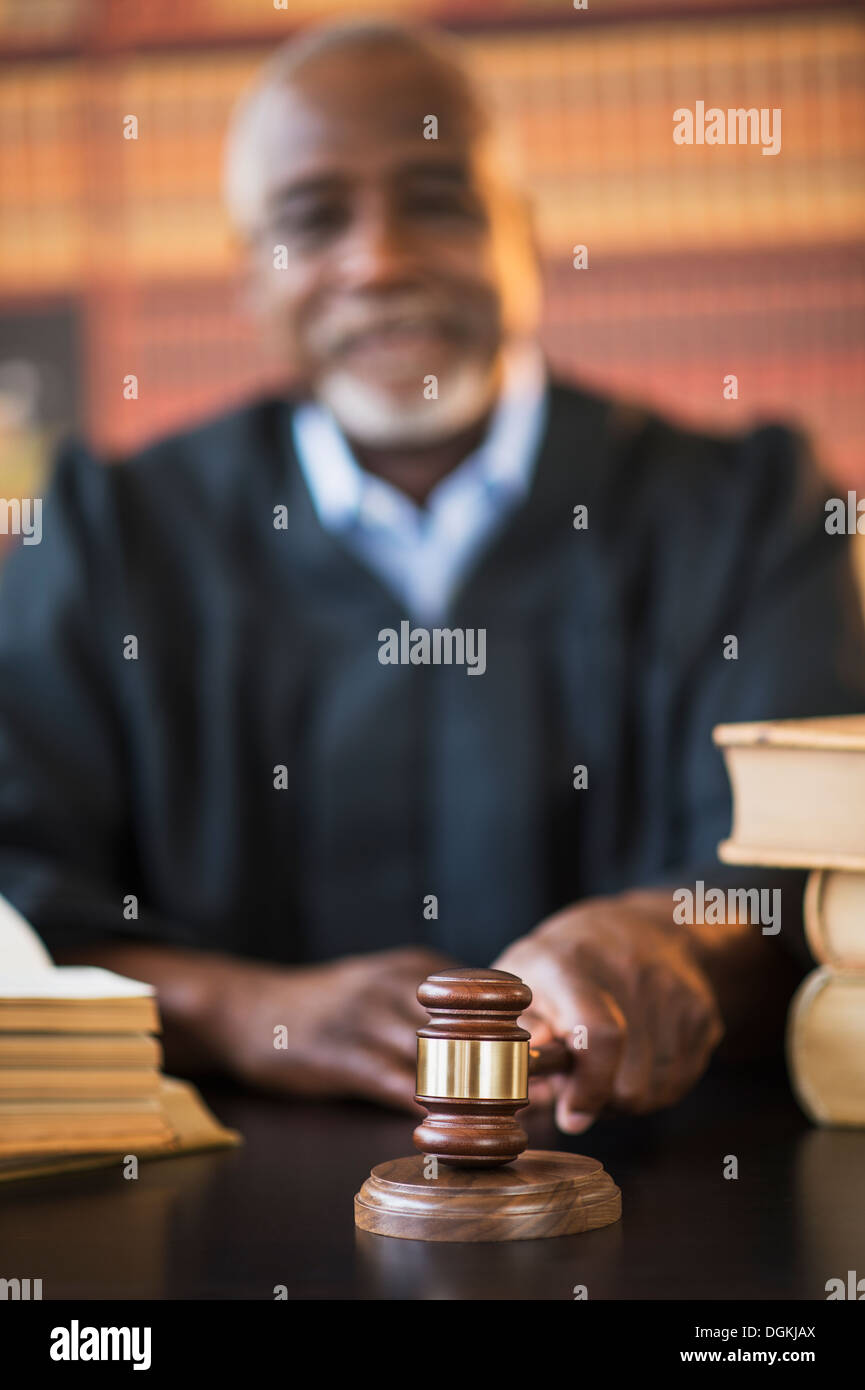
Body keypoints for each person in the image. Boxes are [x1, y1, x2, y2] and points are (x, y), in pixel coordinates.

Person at [1, 20, 863, 1134]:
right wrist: (253, 1009)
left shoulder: (754, 511)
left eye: (439, 200)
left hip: (667, 1193)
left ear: (526, 233)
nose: (379, 259)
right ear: (247, 275)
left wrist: (661, 941)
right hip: (222, 1212)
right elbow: (17, 910)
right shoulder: (106, 535)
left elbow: (812, 876)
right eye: (312, 221)